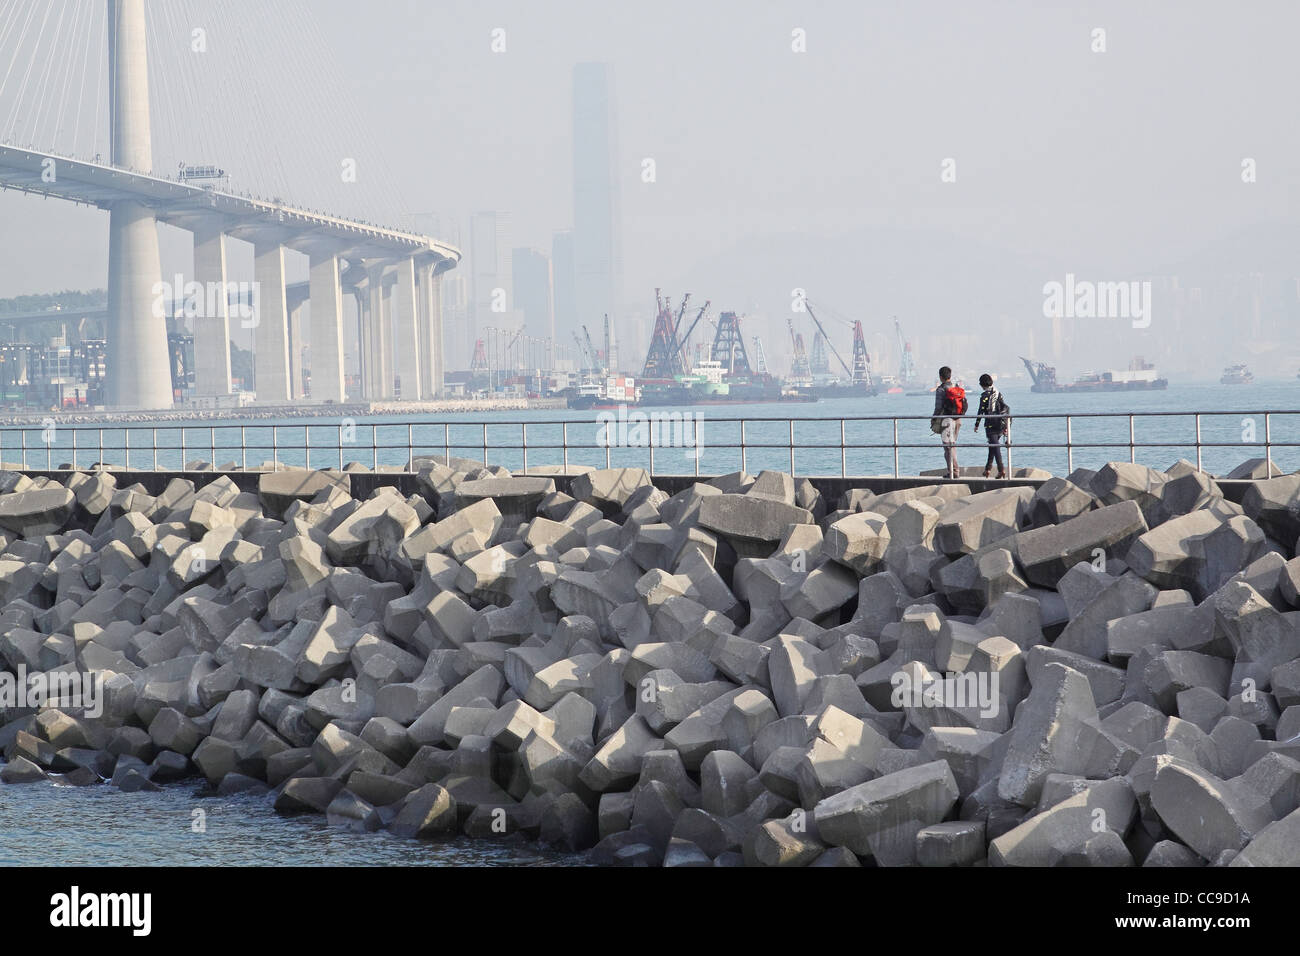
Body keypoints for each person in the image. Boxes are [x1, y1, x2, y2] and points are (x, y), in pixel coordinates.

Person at [972, 373, 1009, 479]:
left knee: (995, 446)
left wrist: (977, 424)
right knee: (992, 445)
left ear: (982, 385)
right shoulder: (998, 393)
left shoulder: (984, 396)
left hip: (990, 425)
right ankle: (987, 469)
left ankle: (1001, 470)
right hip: (1001, 424)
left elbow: (981, 411)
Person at [931, 365, 963, 479]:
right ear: (950, 375)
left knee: (947, 447)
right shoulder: (956, 386)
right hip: (958, 419)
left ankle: (954, 472)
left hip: (947, 421)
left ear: (941, 377)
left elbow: (938, 407)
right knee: (952, 446)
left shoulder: (940, 389)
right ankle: (953, 471)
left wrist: (934, 419)